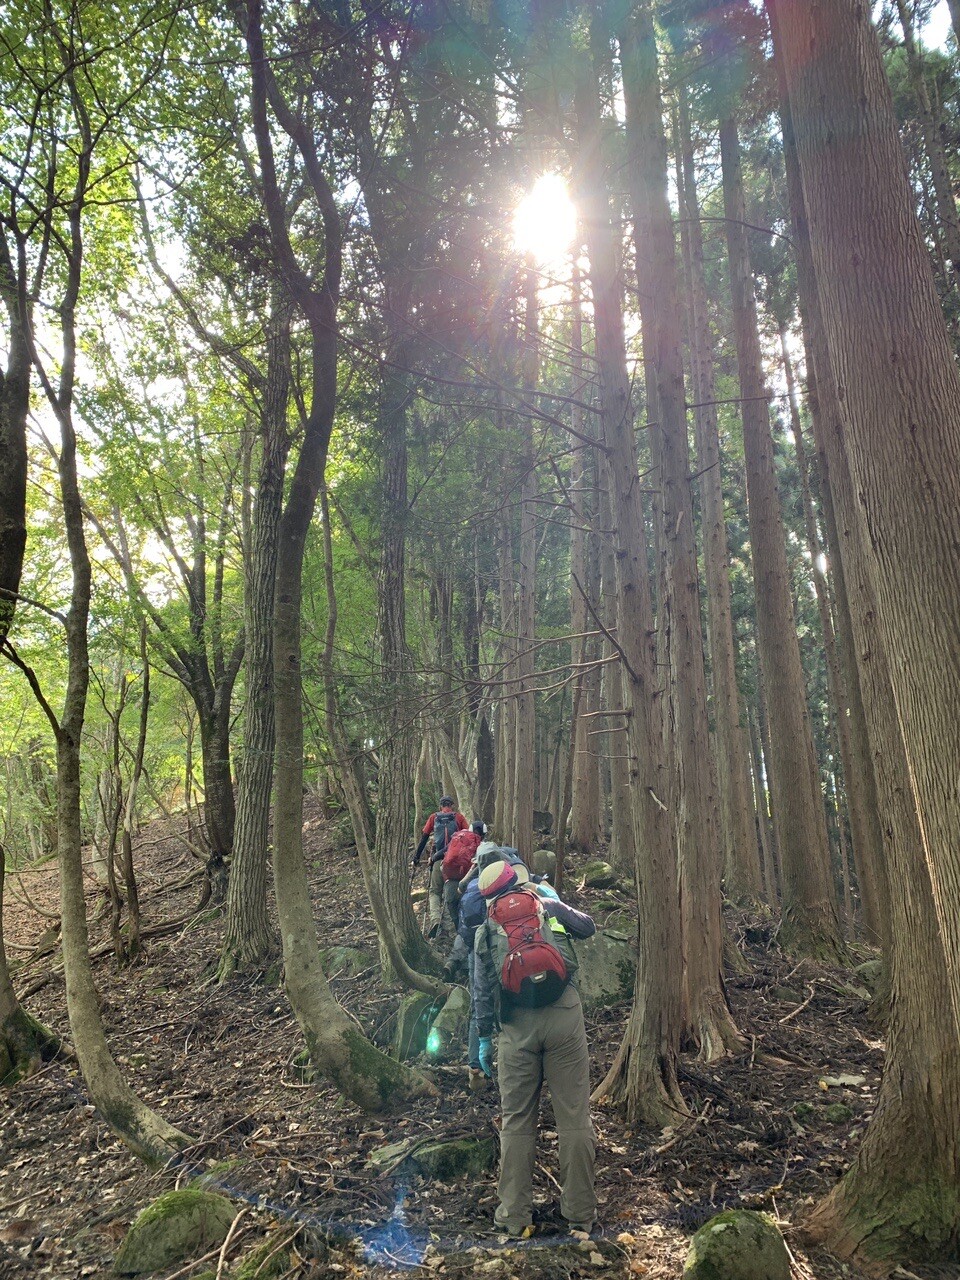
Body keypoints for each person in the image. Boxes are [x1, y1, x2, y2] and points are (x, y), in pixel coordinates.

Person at [473, 858, 597, 1238]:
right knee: (574, 1116)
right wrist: (551, 900)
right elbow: (587, 928)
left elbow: (481, 993)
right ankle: (579, 1214)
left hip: (515, 1027)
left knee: (517, 1120)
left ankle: (513, 1217)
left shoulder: (485, 931)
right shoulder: (545, 903)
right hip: (563, 1015)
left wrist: (481, 1040)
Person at [412, 796, 467, 938]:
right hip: (454, 862)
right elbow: (467, 836)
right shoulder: (459, 818)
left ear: (440, 806)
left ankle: (435, 920)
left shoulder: (433, 818)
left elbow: (424, 838)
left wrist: (416, 857)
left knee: (435, 891)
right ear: (452, 806)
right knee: (450, 891)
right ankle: (449, 926)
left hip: (438, 859)